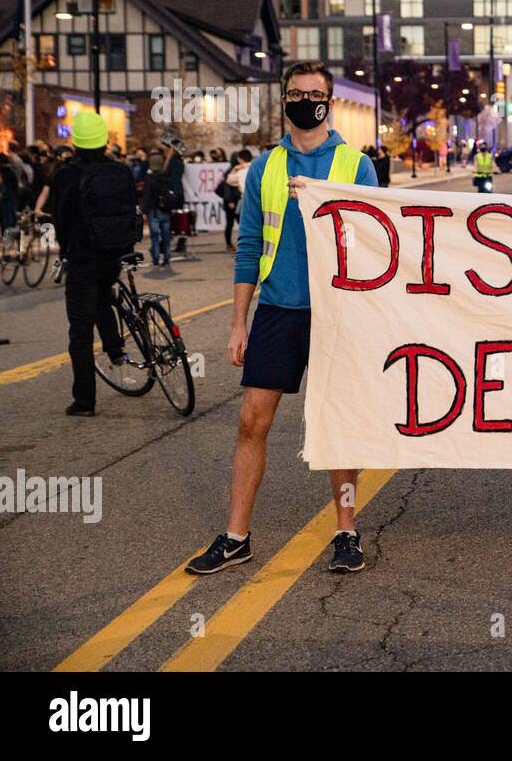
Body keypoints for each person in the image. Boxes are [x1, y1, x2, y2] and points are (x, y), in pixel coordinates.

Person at [185, 60, 378, 577]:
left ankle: (346, 531)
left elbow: (376, 244)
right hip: (277, 310)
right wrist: (237, 322)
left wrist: (324, 210)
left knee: (337, 427)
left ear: (329, 101)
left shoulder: (356, 166)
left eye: (313, 93)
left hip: (336, 311)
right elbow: (249, 246)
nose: (303, 100)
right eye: (295, 93)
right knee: (252, 421)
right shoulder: (266, 168)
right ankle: (236, 536)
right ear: (285, 99)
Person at [47, 111, 141, 416]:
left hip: (83, 258)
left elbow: (60, 218)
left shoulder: (66, 176)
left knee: (81, 329)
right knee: (103, 298)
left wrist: (66, 248)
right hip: (115, 253)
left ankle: (84, 400)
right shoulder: (121, 171)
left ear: (75, 142)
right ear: (104, 141)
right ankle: (115, 350)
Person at [139, 152, 175, 267]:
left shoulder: (150, 178)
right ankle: (167, 257)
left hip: (153, 210)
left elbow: (147, 195)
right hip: (165, 210)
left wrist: (143, 210)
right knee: (166, 235)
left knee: (155, 236)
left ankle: (155, 258)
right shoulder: (166, 177)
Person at [219, 149, 253, 252]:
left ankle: (243, 246)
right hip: (252, 200)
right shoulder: (256, 168)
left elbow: (229, 181)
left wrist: (234, 170)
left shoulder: (239, 172)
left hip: (243, 200)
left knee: (241, 225)